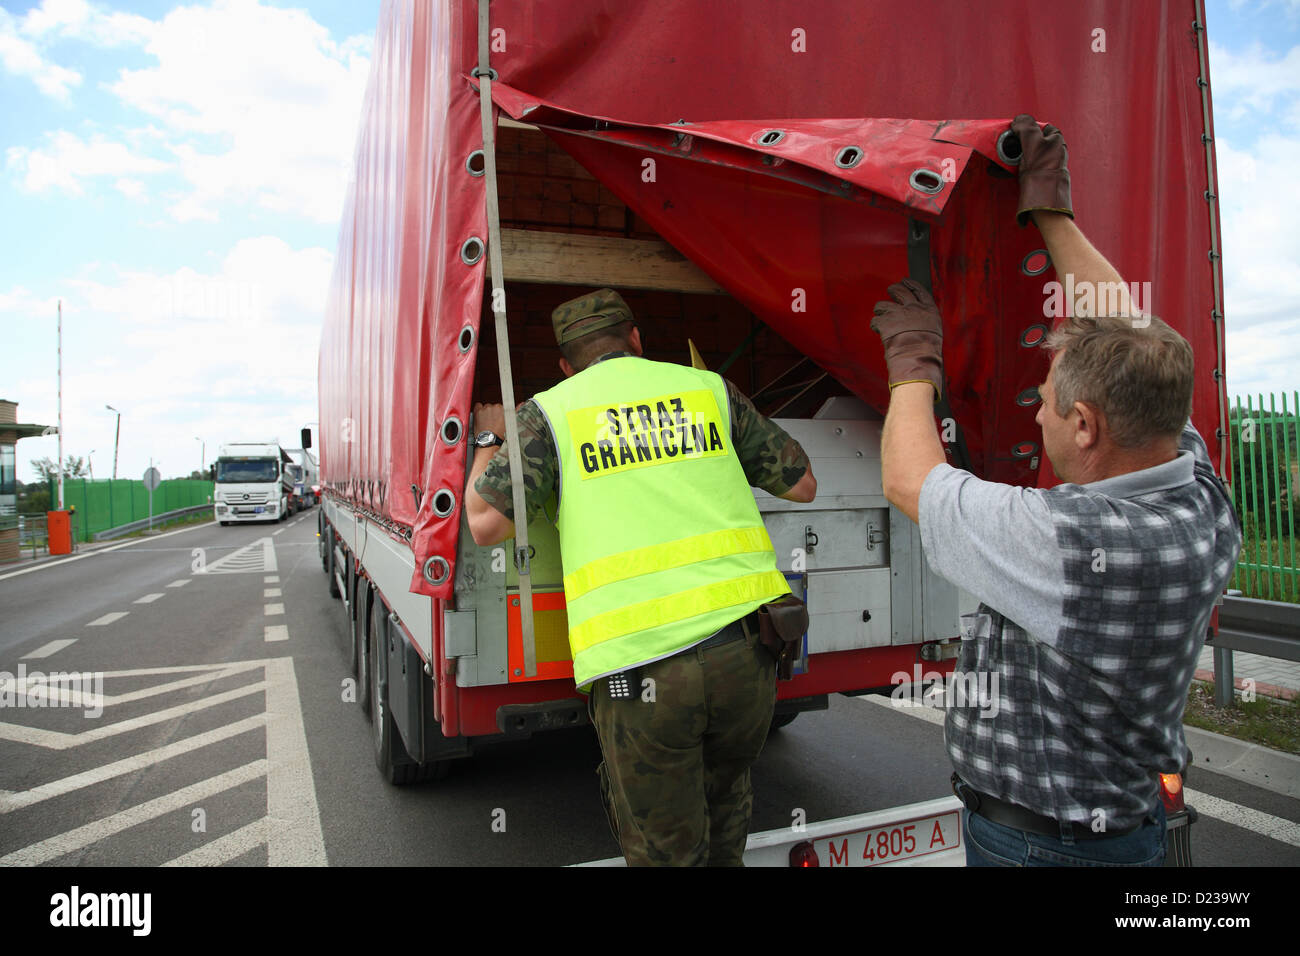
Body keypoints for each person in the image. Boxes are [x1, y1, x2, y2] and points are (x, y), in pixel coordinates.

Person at [869, 114, 1242, 866]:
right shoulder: (1199, 495)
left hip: (1040, 848)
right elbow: (1128, 334)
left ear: (1085, 426)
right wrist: (1050, 208)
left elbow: (912, 481)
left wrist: (911, 366)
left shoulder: (1075, 543)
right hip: (1109, 831)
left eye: (1043, 400)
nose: (1032, 412)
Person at [465, 289, 817, 866]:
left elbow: (484, 524)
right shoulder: (707, 391)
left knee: (665, 849)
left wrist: (488, 437)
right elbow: (803, 484)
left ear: (565, 365)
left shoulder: (548, 412)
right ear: (636, 340)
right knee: (727, 806)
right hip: (748, 654)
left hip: (642, 674)